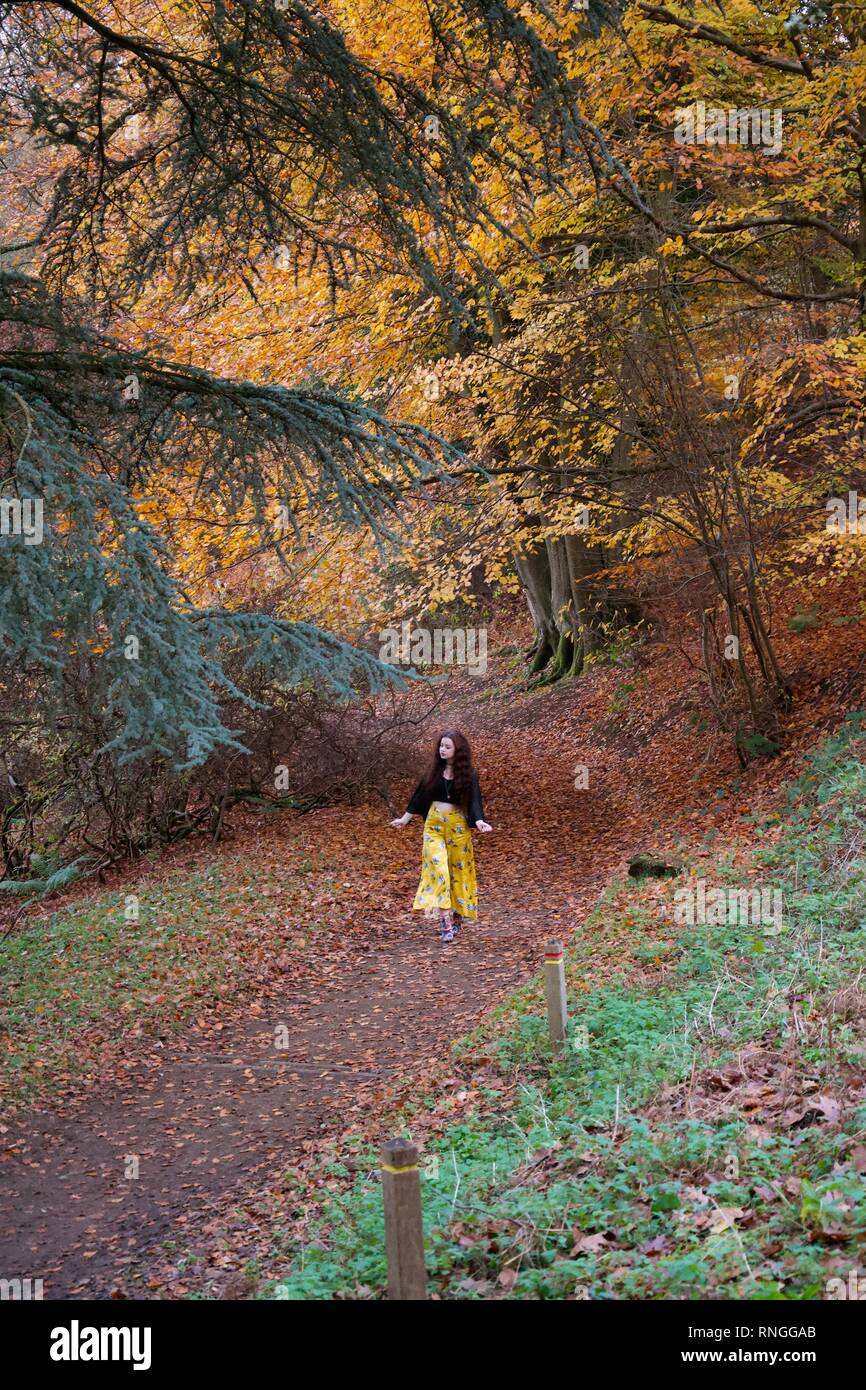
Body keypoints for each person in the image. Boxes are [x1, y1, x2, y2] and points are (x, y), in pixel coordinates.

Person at [390, 730, 492, 942]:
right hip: (434, 826)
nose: (442, 750)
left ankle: (457, 915)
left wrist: (479, 821)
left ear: (457, 750)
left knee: (458, 874)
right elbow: (419, 796)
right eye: (441, 746)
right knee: (439, 870)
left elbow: (474, 801)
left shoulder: (468, 774)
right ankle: (445, 921)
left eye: (447, 747)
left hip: (458, 827)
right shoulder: (433, 772)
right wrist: (404, 819)